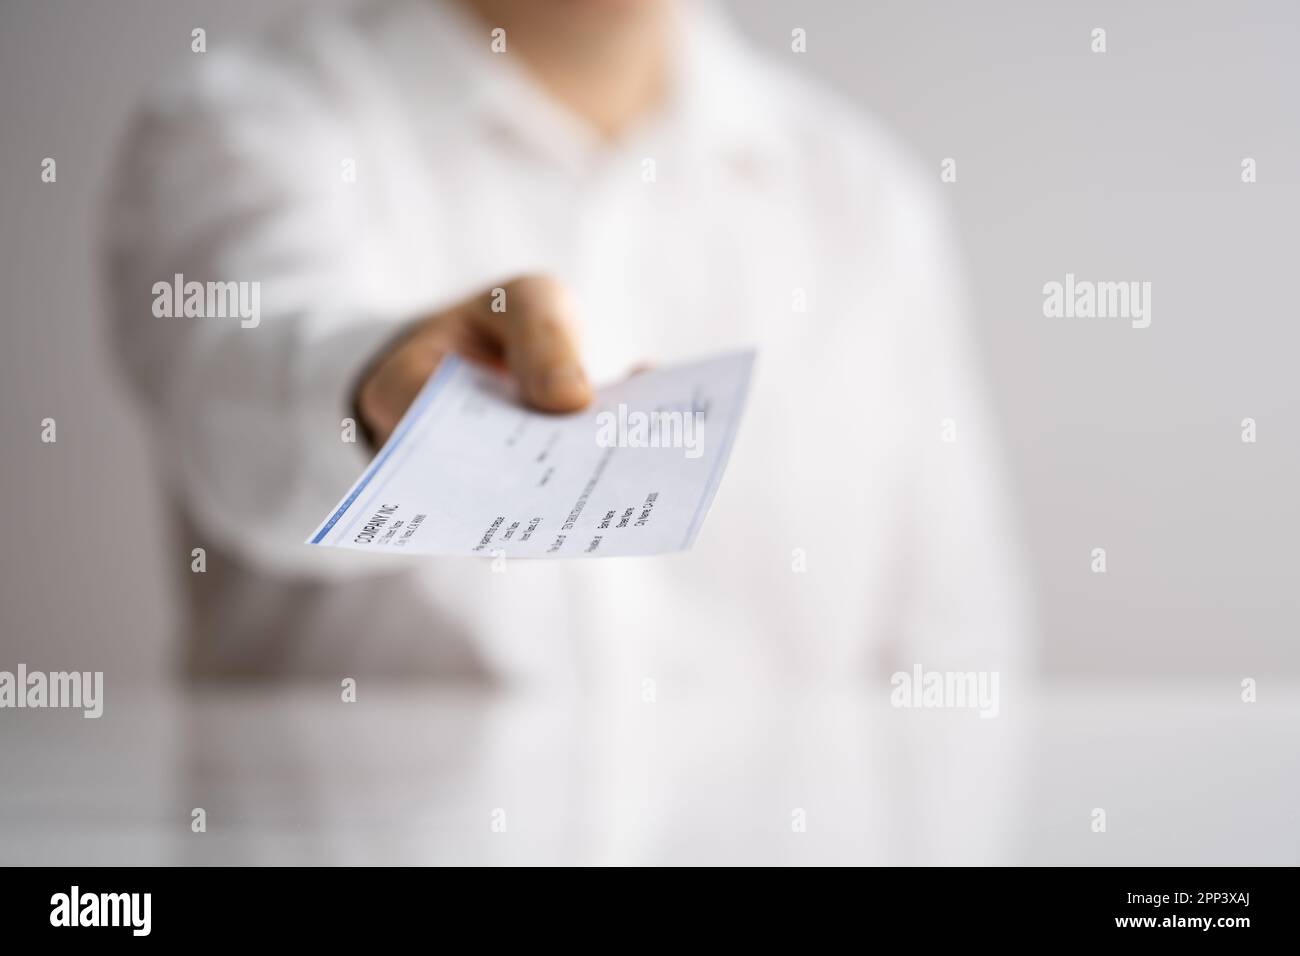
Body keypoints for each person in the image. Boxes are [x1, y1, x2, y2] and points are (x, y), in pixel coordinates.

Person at [105, 0, 1029, 690]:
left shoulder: (861, 196)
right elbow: (230, 406)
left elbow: (950, 654)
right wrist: (379, 397)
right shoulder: (249, 123)